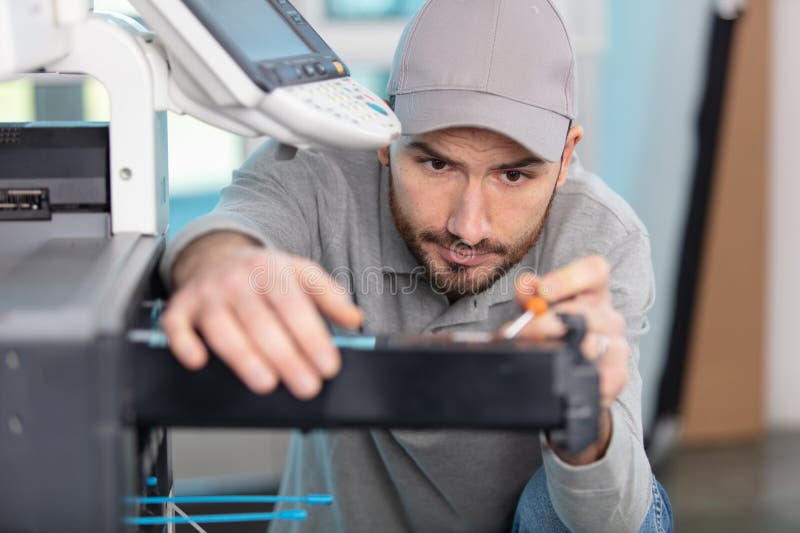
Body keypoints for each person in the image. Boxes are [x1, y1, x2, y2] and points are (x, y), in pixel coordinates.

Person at [159, 0, 672, 531]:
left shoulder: (603, 239)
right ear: (387, 136)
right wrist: (225, 263)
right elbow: (239, 227)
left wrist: (585, 419)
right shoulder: (323, 171)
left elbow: (613, 521)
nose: (468, 228)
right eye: (436, 163)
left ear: (566, 157)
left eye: (513, 177)